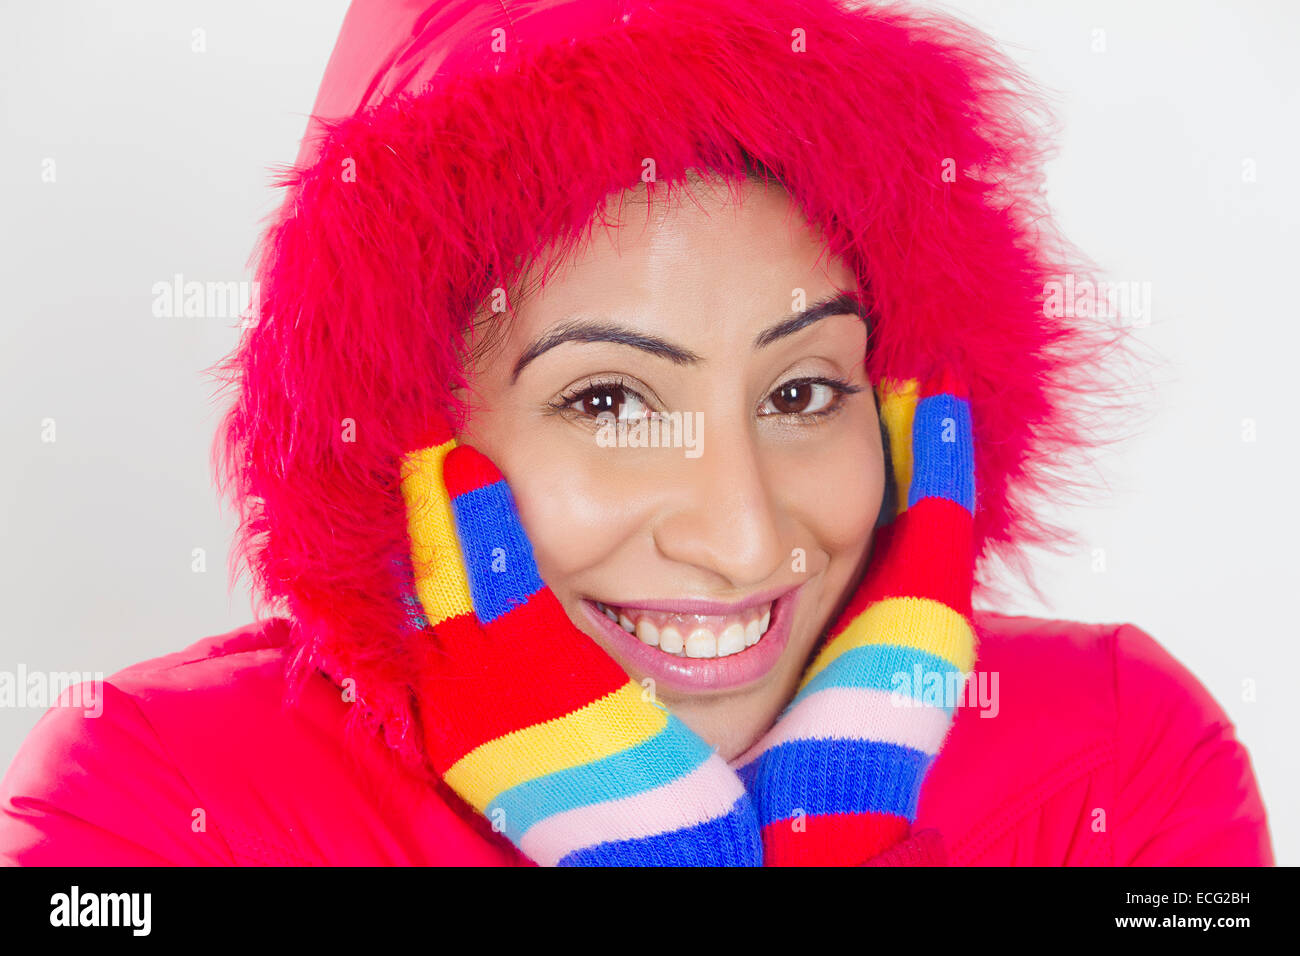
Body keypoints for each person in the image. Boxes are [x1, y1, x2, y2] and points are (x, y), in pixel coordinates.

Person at [0, 0, 1274, 865]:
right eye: (607, 400)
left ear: (908, 410)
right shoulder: (164, 800)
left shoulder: (1124, 756)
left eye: (802, 392)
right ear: (401, 439)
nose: (738, 535)